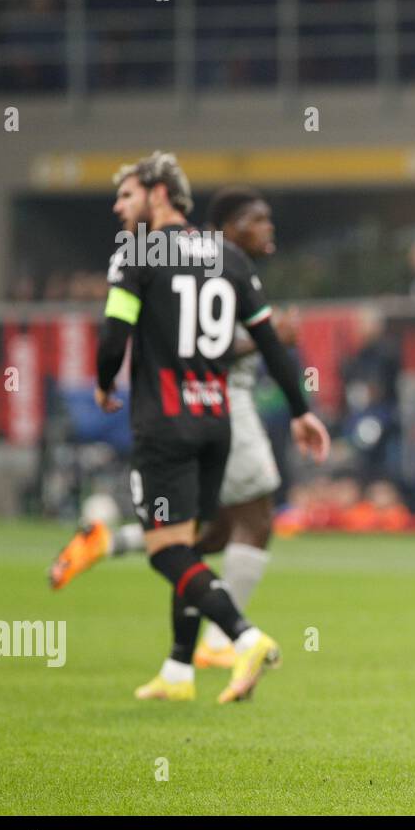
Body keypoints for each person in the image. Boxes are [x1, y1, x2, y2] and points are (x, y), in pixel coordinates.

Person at [88, 152, 329, 702]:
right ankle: (178, 671)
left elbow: (112, 338)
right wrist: (301, 412)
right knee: (191, 546)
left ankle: (242, 635)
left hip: (165, 425)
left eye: (127, 195)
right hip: (216, 421)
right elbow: (270, 344)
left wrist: (104, 384)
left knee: (166, 552)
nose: (118, 207)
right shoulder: (229, 257)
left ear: (159, 194)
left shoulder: (139, 252)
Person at [49, 186, 298, 671]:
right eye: (257, 219)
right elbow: (203, 348)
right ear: (226, 228)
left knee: (203, 535)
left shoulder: (212, 266)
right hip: (223, 409)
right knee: (254, 521)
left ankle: (175, 656)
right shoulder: (214, 265)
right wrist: (274, 348)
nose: (268, 228)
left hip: (201, 413)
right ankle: (229, 641)